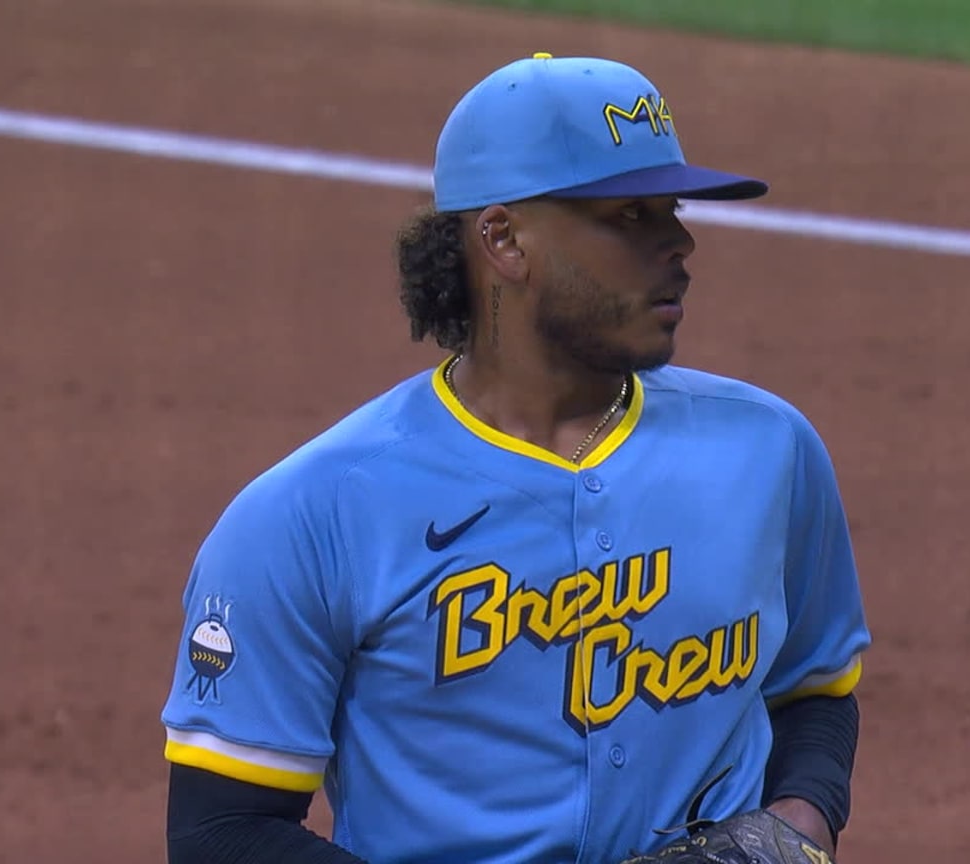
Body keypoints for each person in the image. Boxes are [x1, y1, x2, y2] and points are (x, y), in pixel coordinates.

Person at [160, 52, 872, 864]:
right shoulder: (313, 512)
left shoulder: (769, 450)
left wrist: (798, 826)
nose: (681, 242)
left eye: (672, 209)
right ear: (503, 237)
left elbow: (813, 690)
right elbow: (223, 832)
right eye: (629, 217)